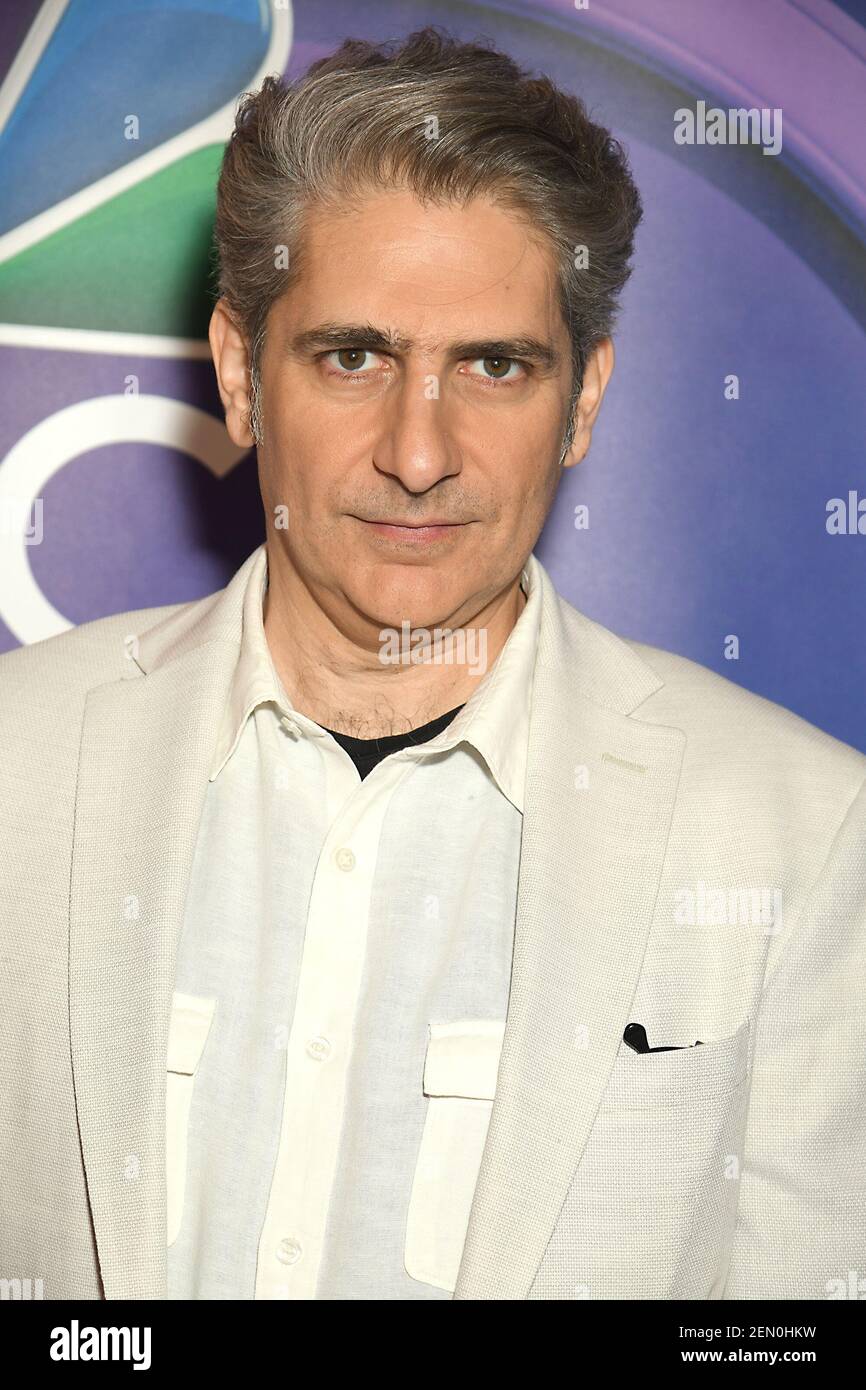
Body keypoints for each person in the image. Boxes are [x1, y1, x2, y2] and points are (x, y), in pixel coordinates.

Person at [2, 27, 864, 1302]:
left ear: (580, 400)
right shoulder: (21, 760)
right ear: (241, 373)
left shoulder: (798, 831)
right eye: (353, 357)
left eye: (493, 366)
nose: (420, 451)